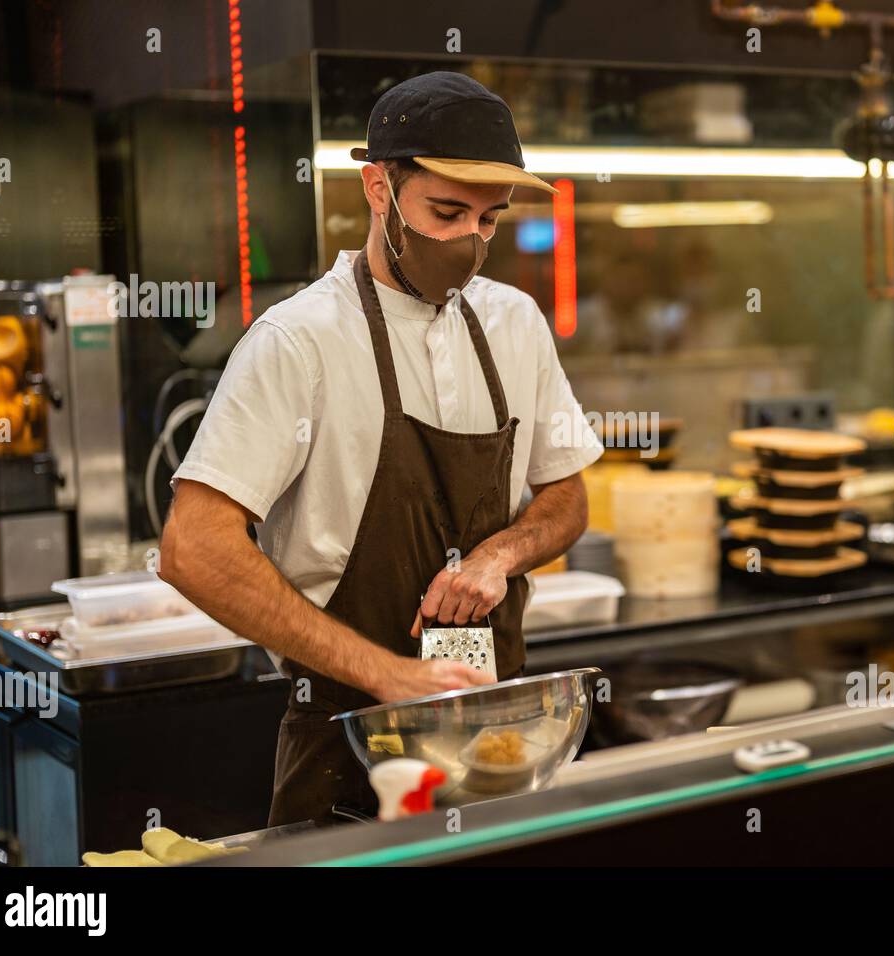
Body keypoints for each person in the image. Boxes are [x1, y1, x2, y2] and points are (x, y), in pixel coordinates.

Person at [158, 72, 603, 825]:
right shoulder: (298, 341)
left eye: (490, 220)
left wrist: (500, 556)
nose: (471, 242)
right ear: (377, 189)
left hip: (496, 737)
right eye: (447, 212)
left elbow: (567, 498)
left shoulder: (516, 324)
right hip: (345, 744)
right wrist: (387, 674)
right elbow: (193, 549)